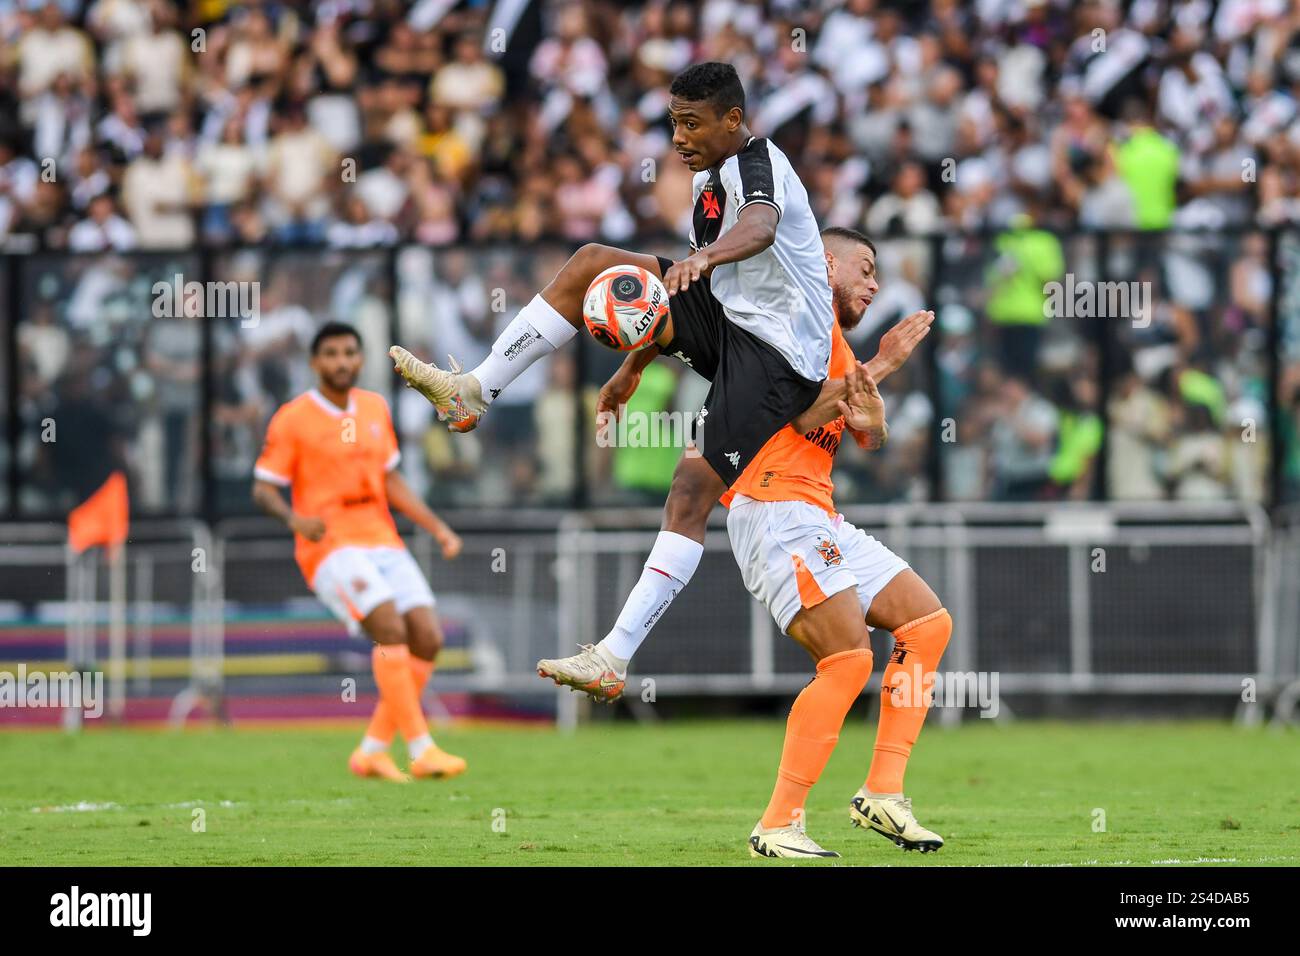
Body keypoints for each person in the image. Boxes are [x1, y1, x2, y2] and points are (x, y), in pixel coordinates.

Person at [392, 62, 847, 697]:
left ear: (733, 121)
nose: (679, 137)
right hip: (731, 322)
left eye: (692, 124)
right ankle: (473, 391)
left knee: (690, 487)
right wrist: (634, 362)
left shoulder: (758, 160)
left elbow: (762, 227)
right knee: (591, 263)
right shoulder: (707, 182)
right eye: (673, 123)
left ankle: (614, 656)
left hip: (782, 356)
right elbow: (703, 286)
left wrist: (705, 255)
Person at [551, 229, 950, 858]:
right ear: (825, 263)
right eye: (865, 269)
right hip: (773, 507)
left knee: (927, 623)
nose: (875, 285)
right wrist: (882, 367)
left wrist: (874, 417)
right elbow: (797, 413)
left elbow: (860, 427)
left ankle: (884, 792)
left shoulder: (836, 343)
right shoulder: (791, 312)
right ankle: (778, 822)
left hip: (818, 510)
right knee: (848, 661)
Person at [252, 322, 466, 783]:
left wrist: (437, 527)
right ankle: (421, 747)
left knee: (427, 636)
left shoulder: (374, 408)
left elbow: (391, 481)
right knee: (388, 626)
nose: (341, 361)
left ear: (361, 359)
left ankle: (371, 750)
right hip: (330, 543)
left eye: (350, 352)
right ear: (314, 362)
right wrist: (294, 521)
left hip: (382, 537)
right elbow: (264, 488)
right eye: (330, 353)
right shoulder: (292, 418)